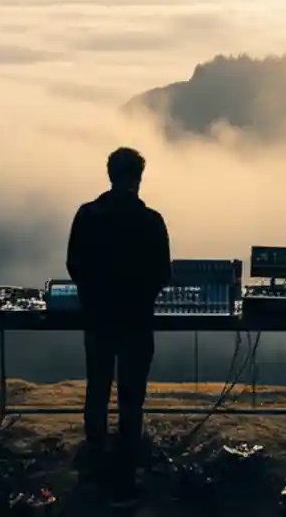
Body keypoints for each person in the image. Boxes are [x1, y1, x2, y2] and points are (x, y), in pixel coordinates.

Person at [66, 146, 171, 505]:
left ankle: (95, 469)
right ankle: (126, 478)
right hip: (137, 322)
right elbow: (162, 274)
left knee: (97, 392)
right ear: (138, 179)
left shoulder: (87, 215)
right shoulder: (152, 221)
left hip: (98, 320)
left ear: (109, 174)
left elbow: (74, 265)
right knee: (131, 399)